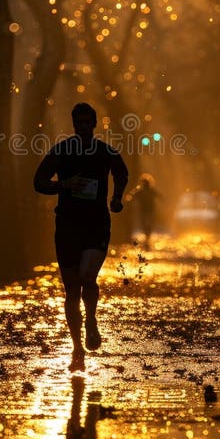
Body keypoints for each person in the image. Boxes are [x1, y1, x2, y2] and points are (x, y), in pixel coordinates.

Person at [34, 103, 129, 372]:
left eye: (88, 123)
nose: (84, 128)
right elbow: (38, 181)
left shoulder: (105, 151)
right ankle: (77, 348)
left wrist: (117, 197)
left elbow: (122, 172)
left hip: (96, 224)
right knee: (71, 291)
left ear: (95, 124)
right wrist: (63, 185)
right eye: (79, 123)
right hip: (67, 226)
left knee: (88, 277)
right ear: (74, 124)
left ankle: (92, 321)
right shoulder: (62, 151)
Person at [128, 173, 160, 250]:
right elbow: (131, 197)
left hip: (147, 211)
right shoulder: (142, 191)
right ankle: (147, 239)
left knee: (147, 225)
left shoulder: (143, 191)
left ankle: (147, 239)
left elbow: (131, 197)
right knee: (147, 225)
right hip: (146, 211)